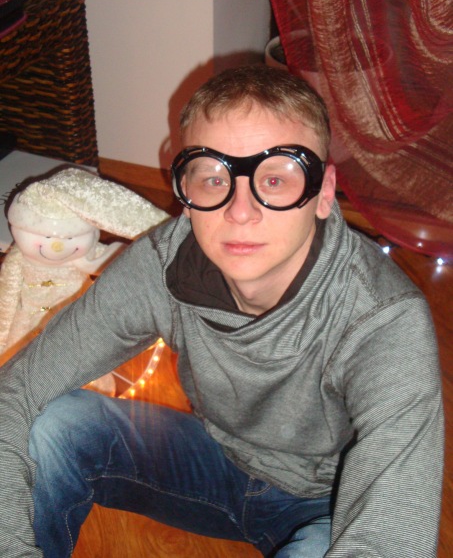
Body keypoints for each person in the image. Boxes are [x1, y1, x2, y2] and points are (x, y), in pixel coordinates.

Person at [0, 65, 444, 558]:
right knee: (54, 425)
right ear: (187, 195)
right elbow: (17, 393)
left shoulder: (383, 317)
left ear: (323, 192)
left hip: (329, 505)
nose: (240, 210)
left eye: (275, 178)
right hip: (215, 462)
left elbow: (391, 535)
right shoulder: (161, 266)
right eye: (214, 178)